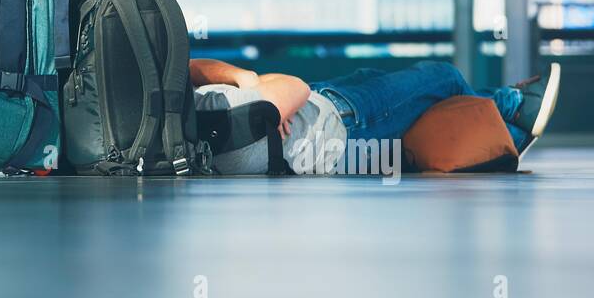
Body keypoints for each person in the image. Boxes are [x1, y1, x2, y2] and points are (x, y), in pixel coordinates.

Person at [189, 59, 561, 175]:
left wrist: (247, 82)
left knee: (379, 79)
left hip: (326, 105)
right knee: (442, 78)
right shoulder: (212, 115)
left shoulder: (178, 128)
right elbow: (294, 87)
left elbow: (189, 66)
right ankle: (514, 104)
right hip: (342, 121)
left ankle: (510, 135)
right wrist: (250, 79)